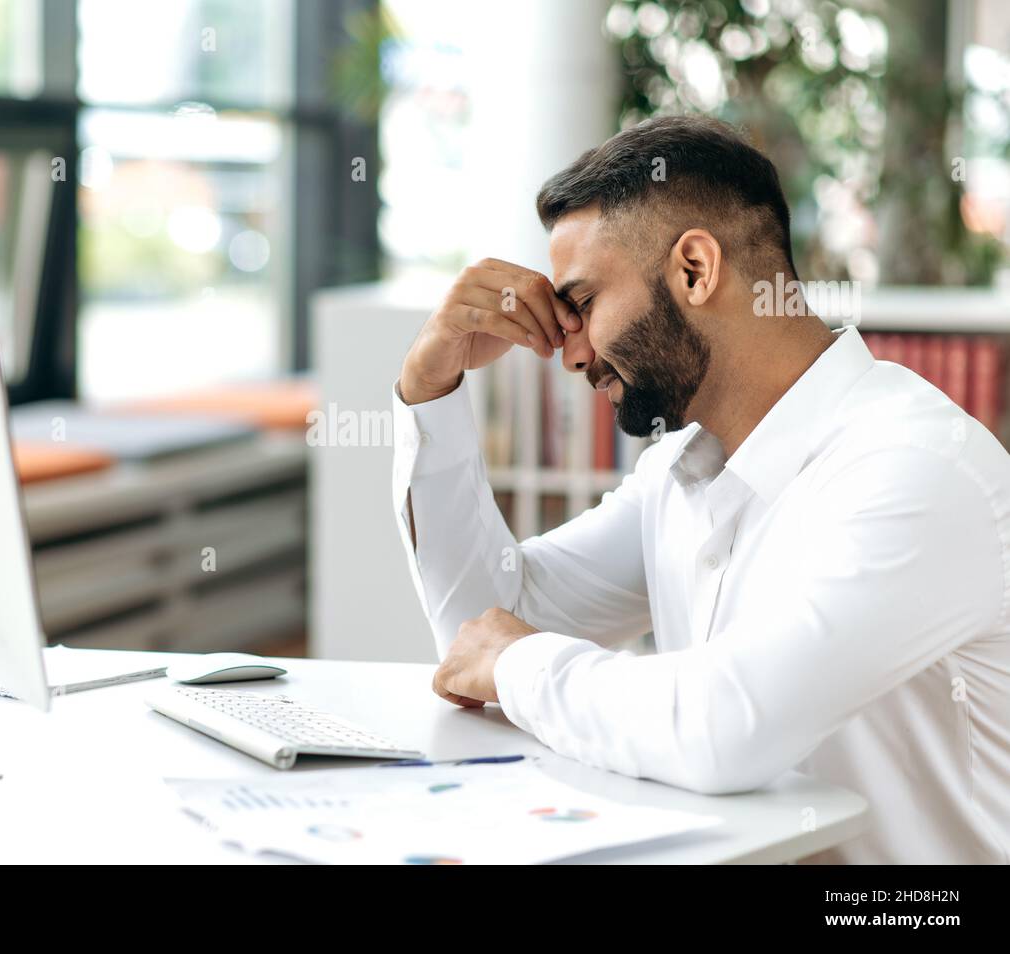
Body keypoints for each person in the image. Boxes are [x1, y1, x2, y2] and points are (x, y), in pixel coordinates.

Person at [391, 114, 1010, 864]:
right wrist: (431, 388)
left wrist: (520, 664)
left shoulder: (914, 467)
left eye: (582, 303)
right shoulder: (682, 470)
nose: (570, 351)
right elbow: (486, 627)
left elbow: (726, 726)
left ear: (694, 270)